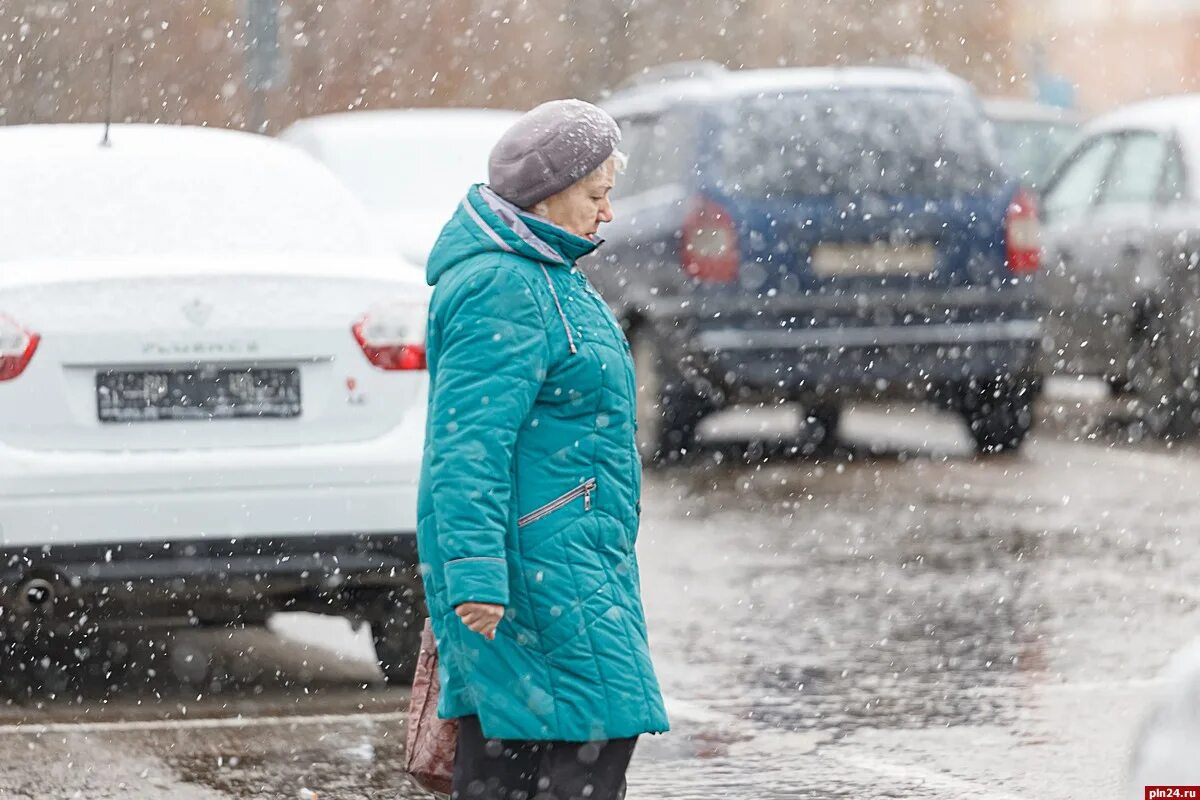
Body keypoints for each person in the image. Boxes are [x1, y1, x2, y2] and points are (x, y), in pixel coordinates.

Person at [415, 99, 669, 800]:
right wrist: (473, 572)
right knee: (578, 742)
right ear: (548, 195)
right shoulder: (503, 285)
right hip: (535, 569)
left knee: (530, 757)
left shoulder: (547, 271)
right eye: (595, 195)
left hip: (569, 556)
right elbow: (466, 445)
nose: (607, 213)